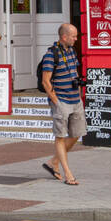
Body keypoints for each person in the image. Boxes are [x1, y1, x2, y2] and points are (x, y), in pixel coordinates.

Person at [41, 23, 83, 186]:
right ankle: (68, 173)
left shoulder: (72, 51)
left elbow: (75, 72)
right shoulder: (51, 55)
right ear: (64, 37)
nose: (76, 39)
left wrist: (78, 92)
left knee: (76, 134)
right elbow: (46, 81)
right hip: (61, 101)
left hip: (75, 100)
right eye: (73, 36)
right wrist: (56, 101)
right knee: (60, 136)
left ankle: (53, 162)